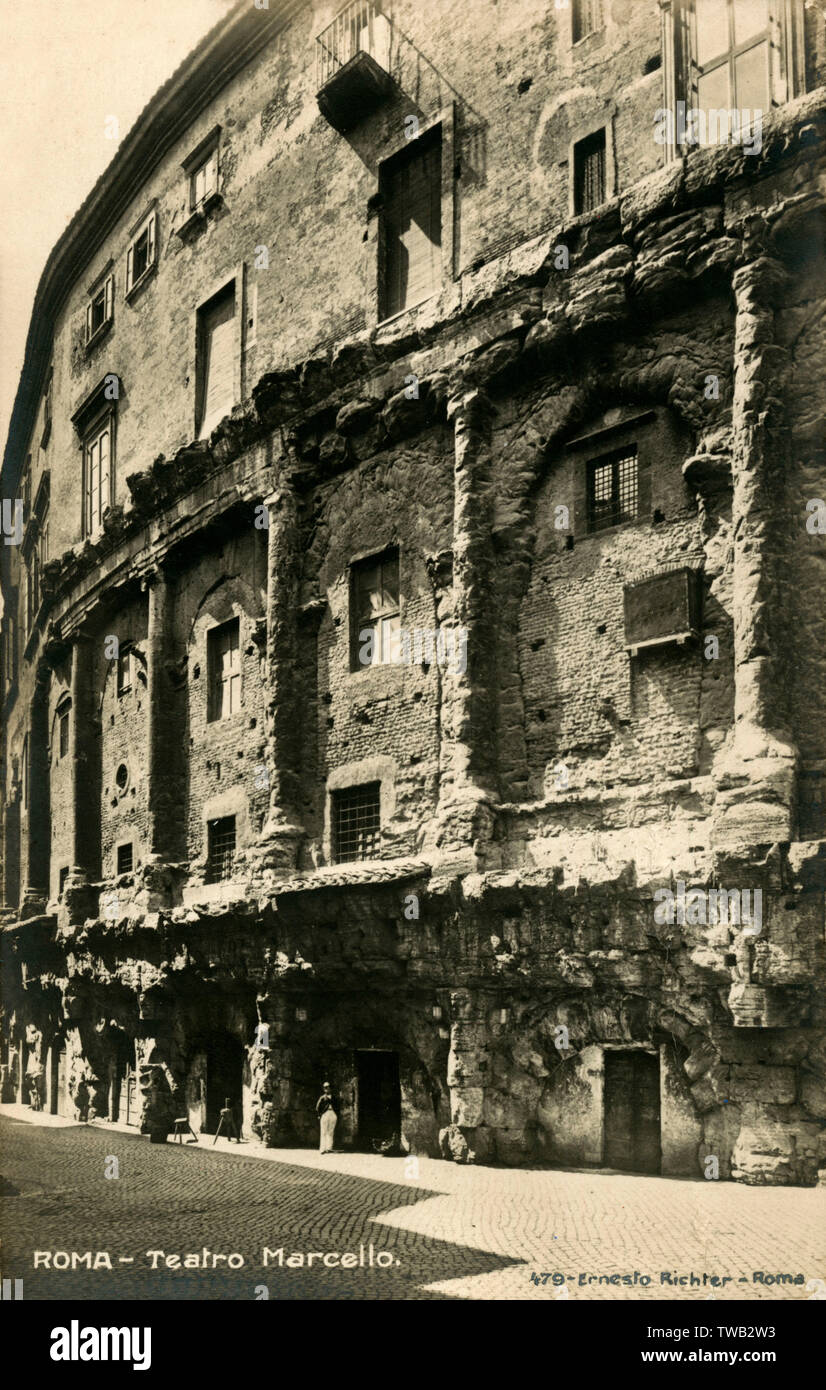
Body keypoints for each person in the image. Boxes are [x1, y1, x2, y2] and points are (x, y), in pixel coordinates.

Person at [316, 1080, 337, 1153]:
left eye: (328, 1087)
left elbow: (338, 1106)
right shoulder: (322, 1098)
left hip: (332, 1114)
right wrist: (319, 1115)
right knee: (323, 1131)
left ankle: (329, 1148)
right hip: (325, 1114)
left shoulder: (334, 1097)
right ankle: (322, 1148)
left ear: (330, 1088)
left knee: (331, 1131)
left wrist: (336, 1114)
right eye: (325, 1087)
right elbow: (317, 1107)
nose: (327, 1089)